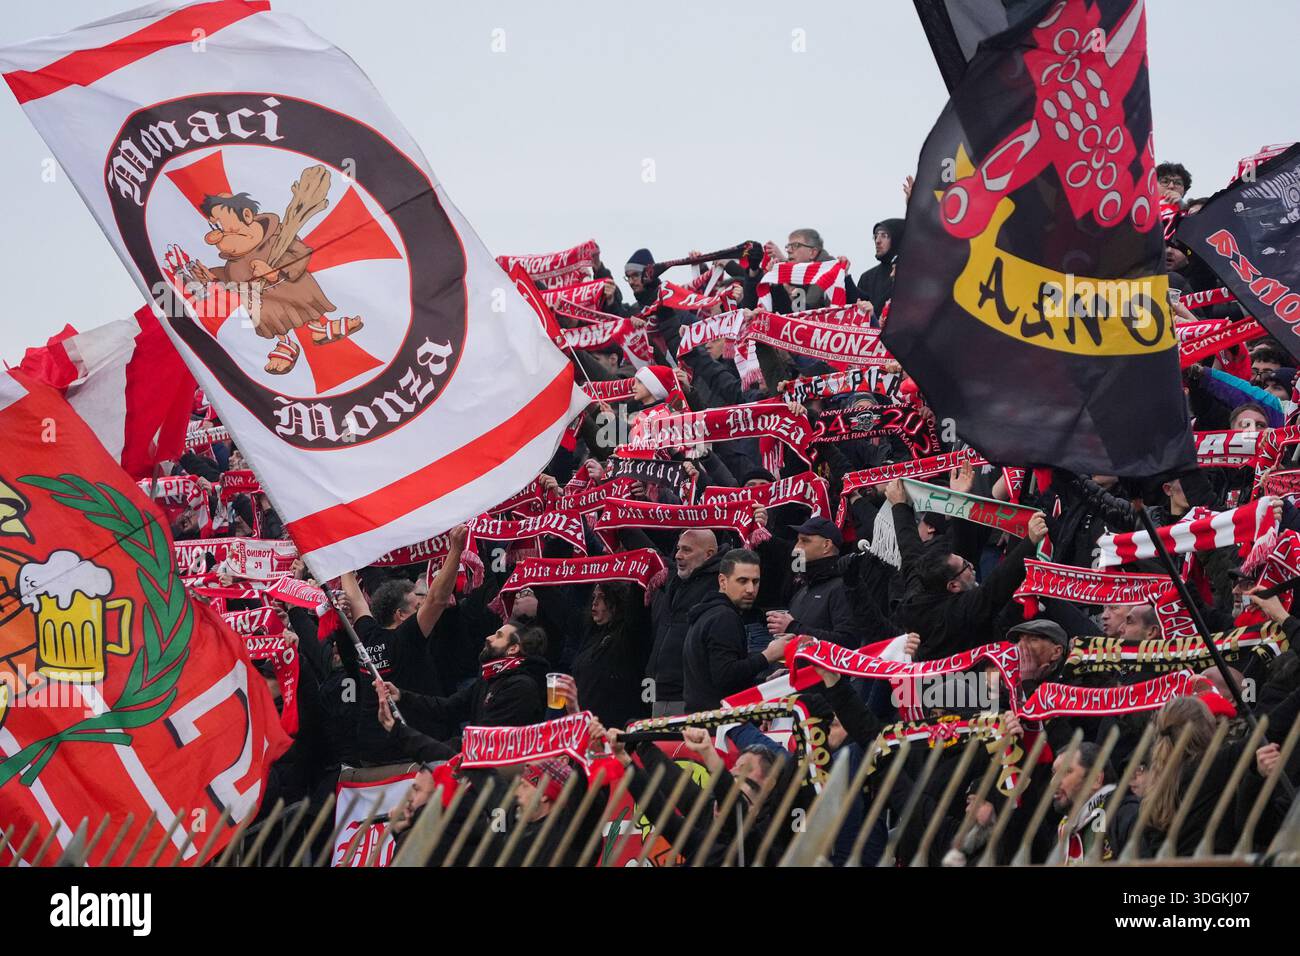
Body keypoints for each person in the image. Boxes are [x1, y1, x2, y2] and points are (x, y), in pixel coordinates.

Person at [885, 478, 1050, 658]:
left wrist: (957, 500)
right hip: (966, 683)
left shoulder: (921, 583)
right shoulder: (955, 614)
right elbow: (995, 587)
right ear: (953, 586)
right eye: (965, 566)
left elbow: (909, 546)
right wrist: (1030, 542)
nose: (971, 565)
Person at [377, 618, 551, 752]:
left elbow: (482, 738)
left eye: (498, 635)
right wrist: (402, 696)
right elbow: (448, 708)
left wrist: (425, 748)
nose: (488, 637)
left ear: (513, 649)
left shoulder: (521, 687)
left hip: (504, 778)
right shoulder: (489, 678)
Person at [682, 548, 789, 711]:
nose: (750, 589)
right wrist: (768, 656)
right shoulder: (724, 617)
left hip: (705, 720)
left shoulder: (709, 614)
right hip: (721, 725)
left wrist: (765, 682)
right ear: (723, 581)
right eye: (742, 581)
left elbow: (720, 679)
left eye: (755, 581)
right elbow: (725, 676)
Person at [644, 530, 721, 716]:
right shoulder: (675, 580)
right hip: (659, 691)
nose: (678, 555)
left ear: (709, 554)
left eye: (686, 550)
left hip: (688, 696)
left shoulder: (718, 585)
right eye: (678, 549)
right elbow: (648, 551)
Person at [765, 516, 864, 648]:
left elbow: (849, 641)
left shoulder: (844, 586)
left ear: (826, 545)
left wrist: (793, 627)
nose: (796, 549)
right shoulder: (804, 587)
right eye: (797, 541)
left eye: (804, 541)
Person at [1051, 741, 1118, 864]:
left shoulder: (1123, 815)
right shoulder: (1064, 831)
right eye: (1054, 773)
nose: (1054, 782)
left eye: (1067, 771)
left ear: (1095, 779)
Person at [856, 218, 904, 317]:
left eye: (884, 236)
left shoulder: (912, 275)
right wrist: (846, 278)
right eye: (875, 236)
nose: (877, 241)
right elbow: (857, 308)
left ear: (897, 238)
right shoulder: (867, 277)